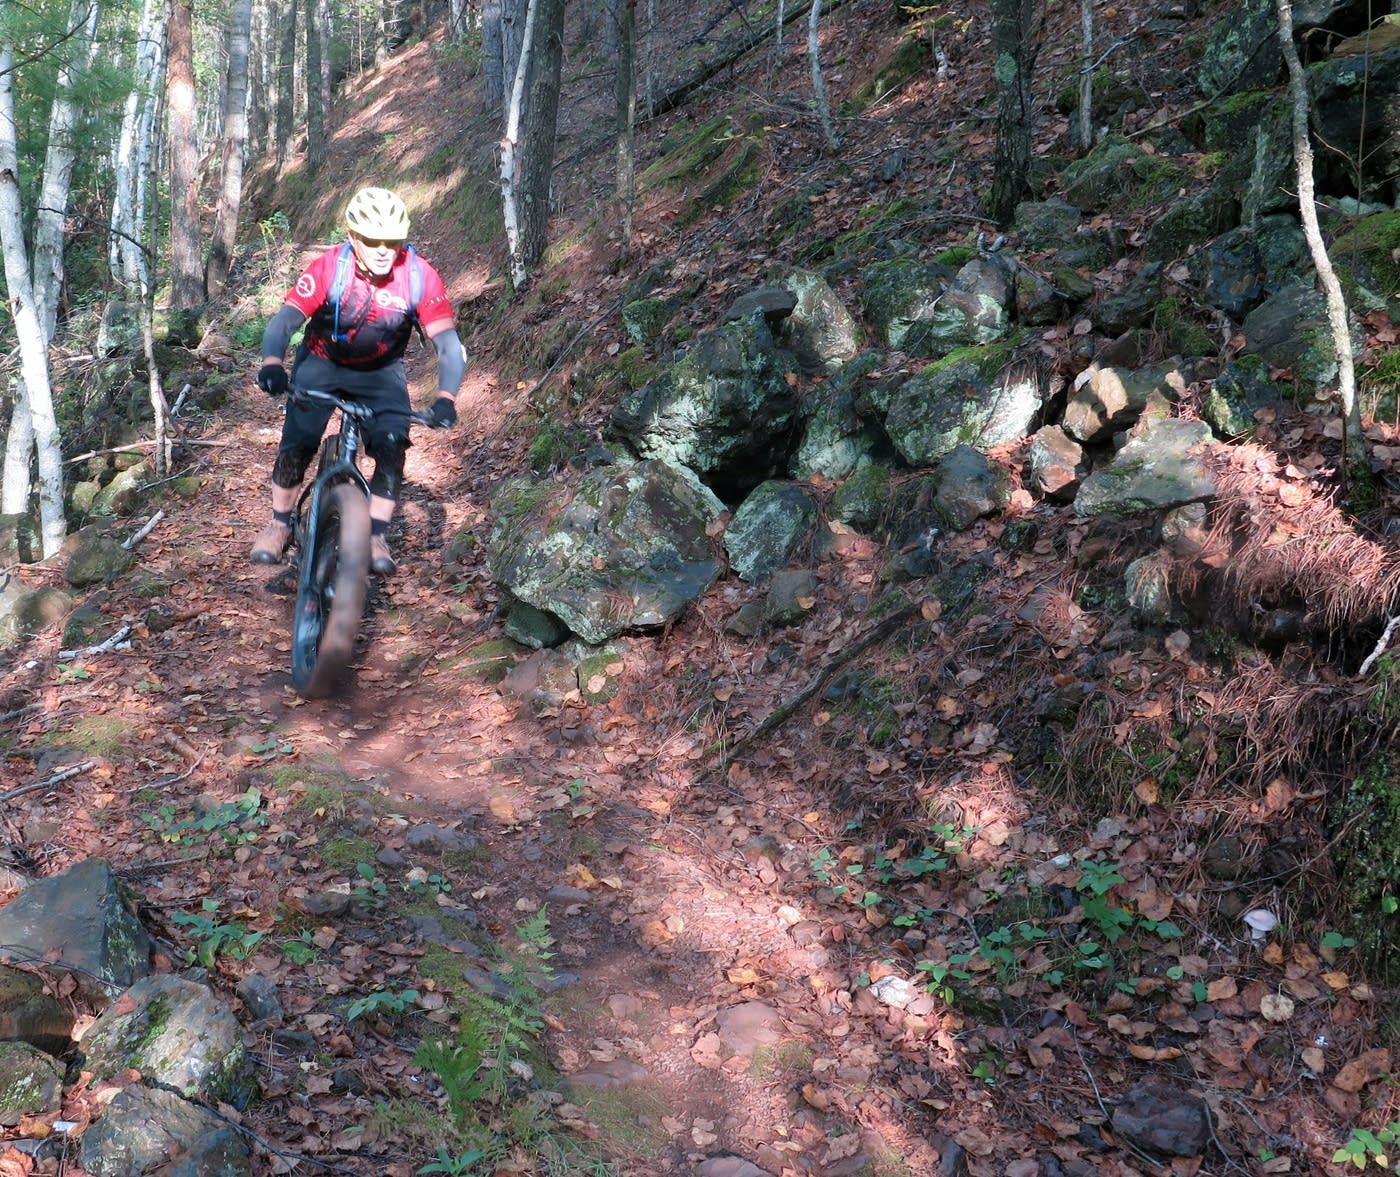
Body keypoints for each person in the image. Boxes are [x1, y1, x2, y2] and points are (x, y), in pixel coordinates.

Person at [250, 186, 465, 576]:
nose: (383, 250)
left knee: (391, 444)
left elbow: (448, 345)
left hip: (380, 371)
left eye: (392, 241)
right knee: (297, 444)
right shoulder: (331, 267)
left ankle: (375, 534)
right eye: (372, 240)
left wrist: (446, 397)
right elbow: (285, 320)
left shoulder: (418, 276)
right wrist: (272, 363)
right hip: (322, 360)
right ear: (352, 237)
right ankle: (280, 523)